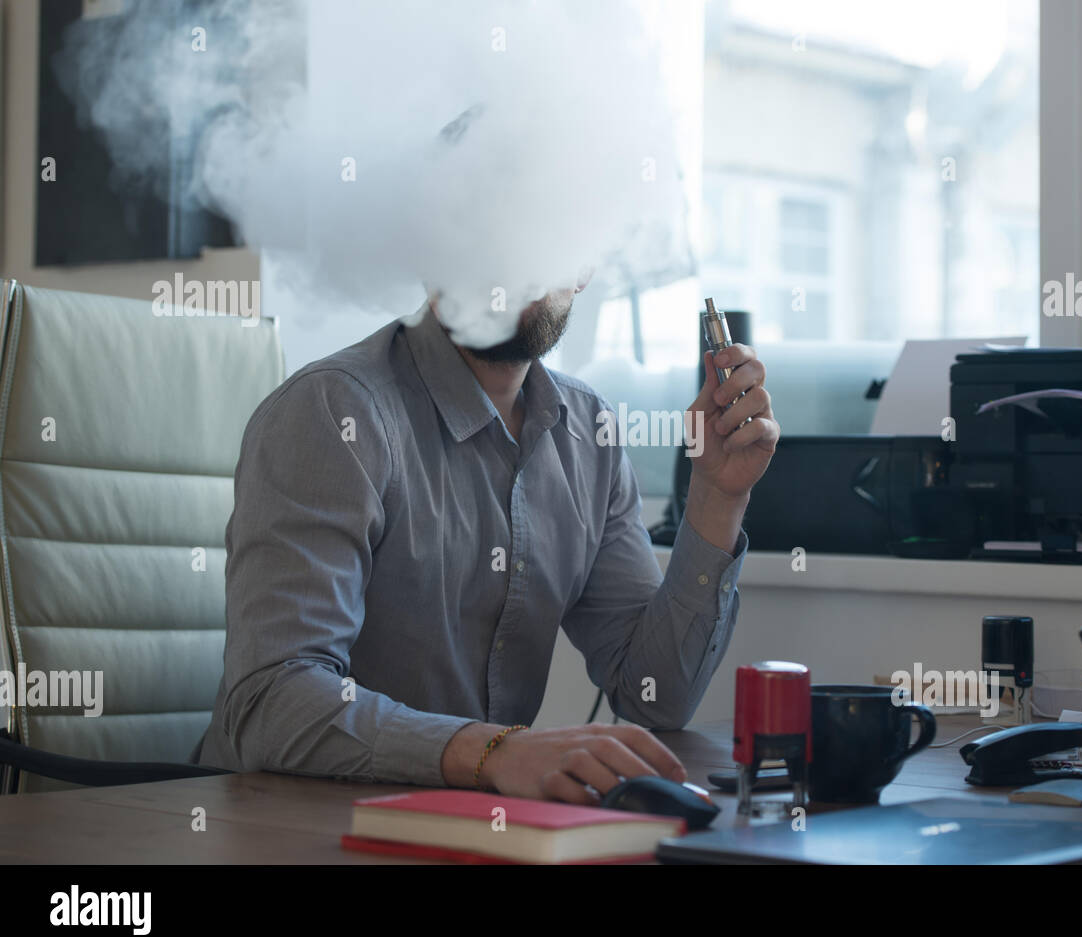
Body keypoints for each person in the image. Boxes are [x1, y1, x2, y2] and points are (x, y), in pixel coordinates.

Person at [196, 281, 779, 804]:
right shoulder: (335, 412)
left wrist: (715, 498)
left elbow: (655, 698)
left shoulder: (589, 431)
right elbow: (270, 703)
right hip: (293, 828)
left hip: (474, 828)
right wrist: (496, 753)